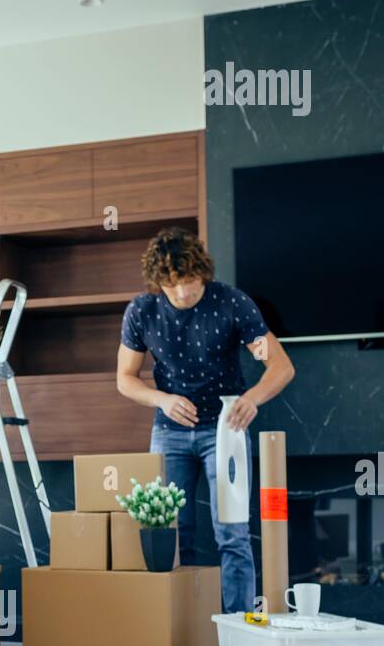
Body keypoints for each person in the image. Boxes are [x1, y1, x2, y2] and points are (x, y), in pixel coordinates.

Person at [116, 226, 295, 613]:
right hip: (169, 433)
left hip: (226, 432)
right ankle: (185, 632)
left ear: (203, 272)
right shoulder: (141, 311)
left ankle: (238, 629)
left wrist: (252, 399)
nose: (183, 293)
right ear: (159, 281)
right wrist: (161, 399)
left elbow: (280, 366)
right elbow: (125, 379)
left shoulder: (233, 304)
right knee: (171, 535)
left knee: (232, 534)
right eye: (173, 284)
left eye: (191, 281)